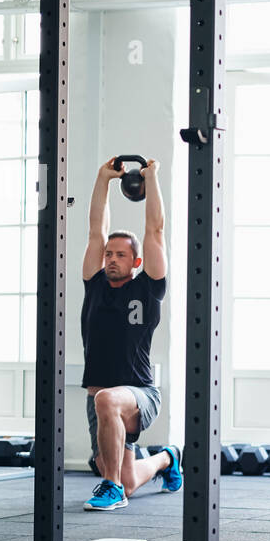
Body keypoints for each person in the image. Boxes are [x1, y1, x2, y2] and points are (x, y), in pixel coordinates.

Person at [80, 156, 182, 511]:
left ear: (136, 262)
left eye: (121, 255)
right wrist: (102, 178)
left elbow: (155, 230)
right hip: (99, 400)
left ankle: (108, 487)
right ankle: (167, 458)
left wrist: (152, 179)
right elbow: (96, 228)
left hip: (138, 394)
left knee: (107, 399)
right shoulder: (94, 285)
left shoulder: (149, 288)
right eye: (109, 253)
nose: (111, 259)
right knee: (127, 482)